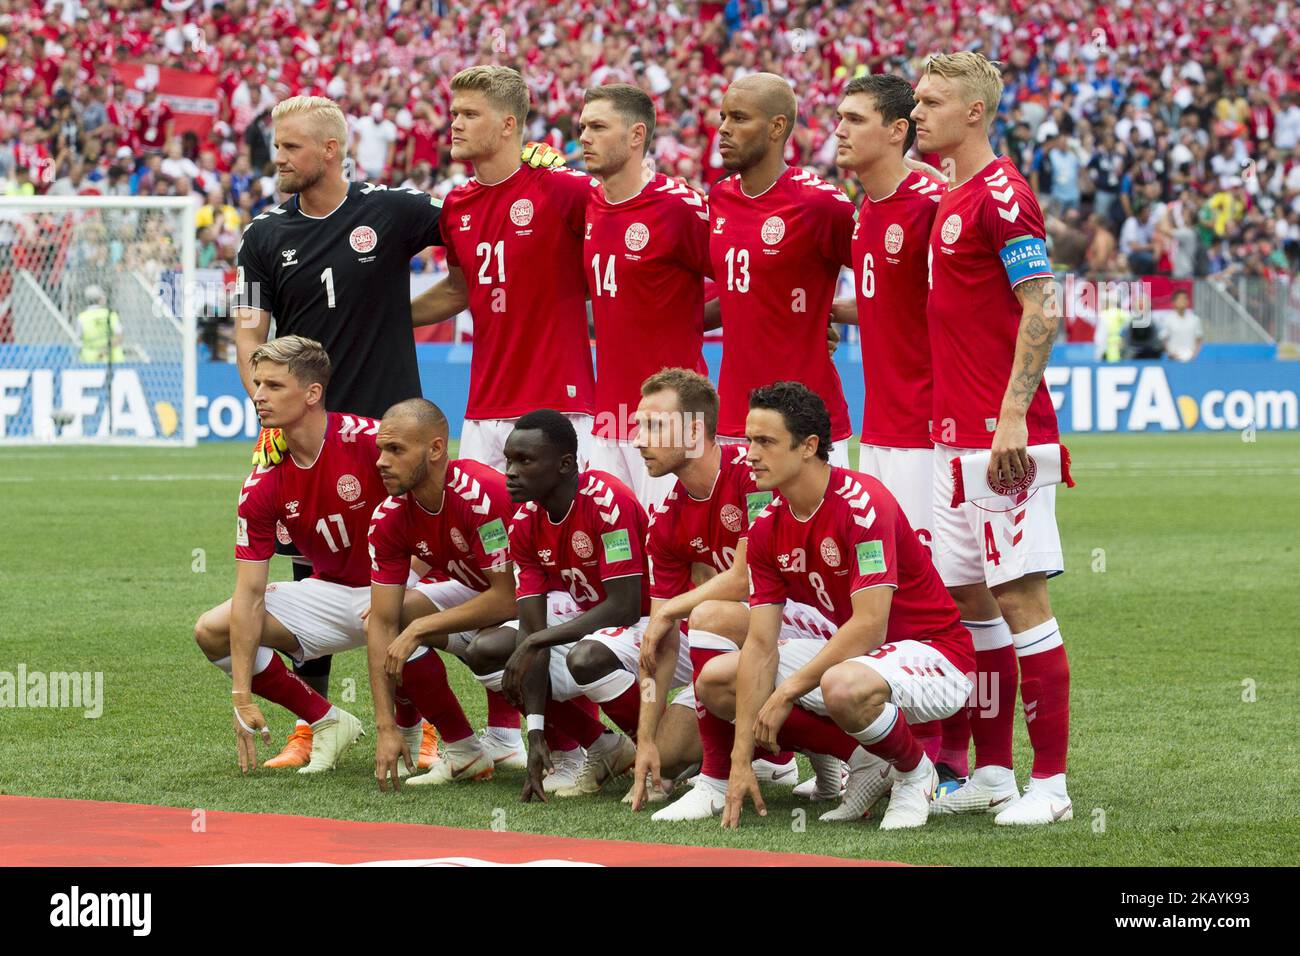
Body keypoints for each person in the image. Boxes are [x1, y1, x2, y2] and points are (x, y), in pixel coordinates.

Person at [233, 94, 446, 768]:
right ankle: (313, 724)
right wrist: (268, 402)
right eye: (278, 146)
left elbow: (475, 260)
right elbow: (248, 328)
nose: (280, 159)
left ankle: (427, 724)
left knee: (413, 572)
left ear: (331, 150)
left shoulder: (393, 211)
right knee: (310, 571)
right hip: (305, 434)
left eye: (292, 147)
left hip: (390, 432)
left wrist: (396, 315)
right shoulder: (262, 235)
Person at [407, 66, 598, 765]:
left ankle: (603, 734)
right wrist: (385, 315)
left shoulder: (565, 190)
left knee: (570, 575)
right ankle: (503, 733)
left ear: (511, 124)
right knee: (494, 572)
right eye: (451, 112)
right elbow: (458, 287)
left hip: (558, 410)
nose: (453, 123)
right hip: (484, 415)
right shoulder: (456, 202)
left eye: (468, 113)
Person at [697, 382, 975, 830]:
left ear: (808, 447)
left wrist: (786, 691)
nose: (749, 454)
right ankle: (868, 762)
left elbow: (869, 628)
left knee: (842, 685)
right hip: (864, 659)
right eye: (748, 440)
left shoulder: (864, 505)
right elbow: (762, 644)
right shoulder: (768, 525)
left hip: (938, 655)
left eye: (765, 441)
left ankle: (913, 770)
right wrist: (740, 757)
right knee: (717, 682)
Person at [912, 51, 1073, 825]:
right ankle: (996, 772)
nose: (917, 112)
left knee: (1020, 600)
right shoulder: (952, 195)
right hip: (954, 438)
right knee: (970, 603)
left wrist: (1012, 414)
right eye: (916, 99)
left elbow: (1043, 304)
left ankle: (1053, 785)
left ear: (974, 112)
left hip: (1001, 439)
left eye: (932, 101)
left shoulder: (1003, 194)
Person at [832, 74, 964, 783]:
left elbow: (967, 317)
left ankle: (952, 762)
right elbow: (888, 303)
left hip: (925, 437)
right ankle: (893, 753)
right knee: (877, 593)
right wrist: (837, 317)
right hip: (878, 434)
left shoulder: (931, 204)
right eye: (838, 118)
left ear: (896, 131)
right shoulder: (864, 208)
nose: (841, 130)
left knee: (931, 598)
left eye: (856, 119)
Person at [631, 368, 833, 821]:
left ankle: (717, 779)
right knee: (671, 743)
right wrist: (644, 739)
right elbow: (659, 645)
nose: (639, 440)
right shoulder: (665, 520)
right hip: (749, 638)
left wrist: (674, 610)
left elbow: (746, 580)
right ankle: (792, 759)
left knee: (708, 613)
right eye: (639, 426)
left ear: (696, 431)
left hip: (816, 622)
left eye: (654, 426)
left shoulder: (752, 472)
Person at [192, 337, 374, 775]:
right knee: (212, 629)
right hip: (332, 593)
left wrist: (402, 586)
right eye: (257, 384)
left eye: (273, 385)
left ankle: (450, 735)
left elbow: (433, 513)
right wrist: (241, 696)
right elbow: (250, 593)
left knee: (492, 616)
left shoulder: (371, 440)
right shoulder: (264, 480)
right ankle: (327, 720)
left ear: (312, 394)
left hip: (406, 588)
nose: (258, 395)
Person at [462, 410, 653, 800]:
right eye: (509, 459)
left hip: (652, 623)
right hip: (593, 622)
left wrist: (536, 641)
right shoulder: (525, 522)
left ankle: (660, 753)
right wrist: (534, 734)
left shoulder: (606, 499)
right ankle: (602, 748)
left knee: (584, 657)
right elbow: (531, 629)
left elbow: (626, 606)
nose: (510, 472)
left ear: (565, 464)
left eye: (525, 460)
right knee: (487, 651)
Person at [367, 398, 521, 790]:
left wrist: (421, 629)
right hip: (483, 588)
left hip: (543, 595)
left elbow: (506, 597)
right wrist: (386, 728)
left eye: (396, 449)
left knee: (485, 641)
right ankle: (463, 749)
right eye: (381, 449)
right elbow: (382, 621)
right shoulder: (389, 517)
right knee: (391, 617)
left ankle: (581, 746)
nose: (382, 461)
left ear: (436, 449)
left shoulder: (481, 493)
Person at [708, 73, 855, 466]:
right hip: (735, 422)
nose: (723, 128)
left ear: (777, 127)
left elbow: (890, 283)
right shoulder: (719, 197)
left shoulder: (820, 205)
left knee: (819, 530)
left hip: (808, 425)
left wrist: (831, 310)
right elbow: (732, 295)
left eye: (738, 118)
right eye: (723, 117)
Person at [579, 84, 712, 510]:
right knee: (613, 553)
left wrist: (691, 320)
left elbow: (739, 283)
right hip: (607, 416)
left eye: (598, 126)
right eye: (582, 126)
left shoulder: (680, 207)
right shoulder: (586, 204)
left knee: (673, 553)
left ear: (637, 135)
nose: (584, 137)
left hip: (673, 417)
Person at [75, 285, 124, 364]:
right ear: (100, 299)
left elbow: (78, 339)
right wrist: (106, 349)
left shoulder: (81, 318)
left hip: (89, 359)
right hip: (112, 358)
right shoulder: (110, 314)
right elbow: (120, 336)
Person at [1159, 289, 1204, 361]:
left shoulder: (1195, 319)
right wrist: (1170, 353)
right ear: (1173, 302)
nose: (1183, 301)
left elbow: (1199, 339)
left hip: (1190, 358)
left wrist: (1194, 354)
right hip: (1173, 358)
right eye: (1180, 299)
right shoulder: (1167, 319)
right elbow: (1163, 339)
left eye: (1185, 298)